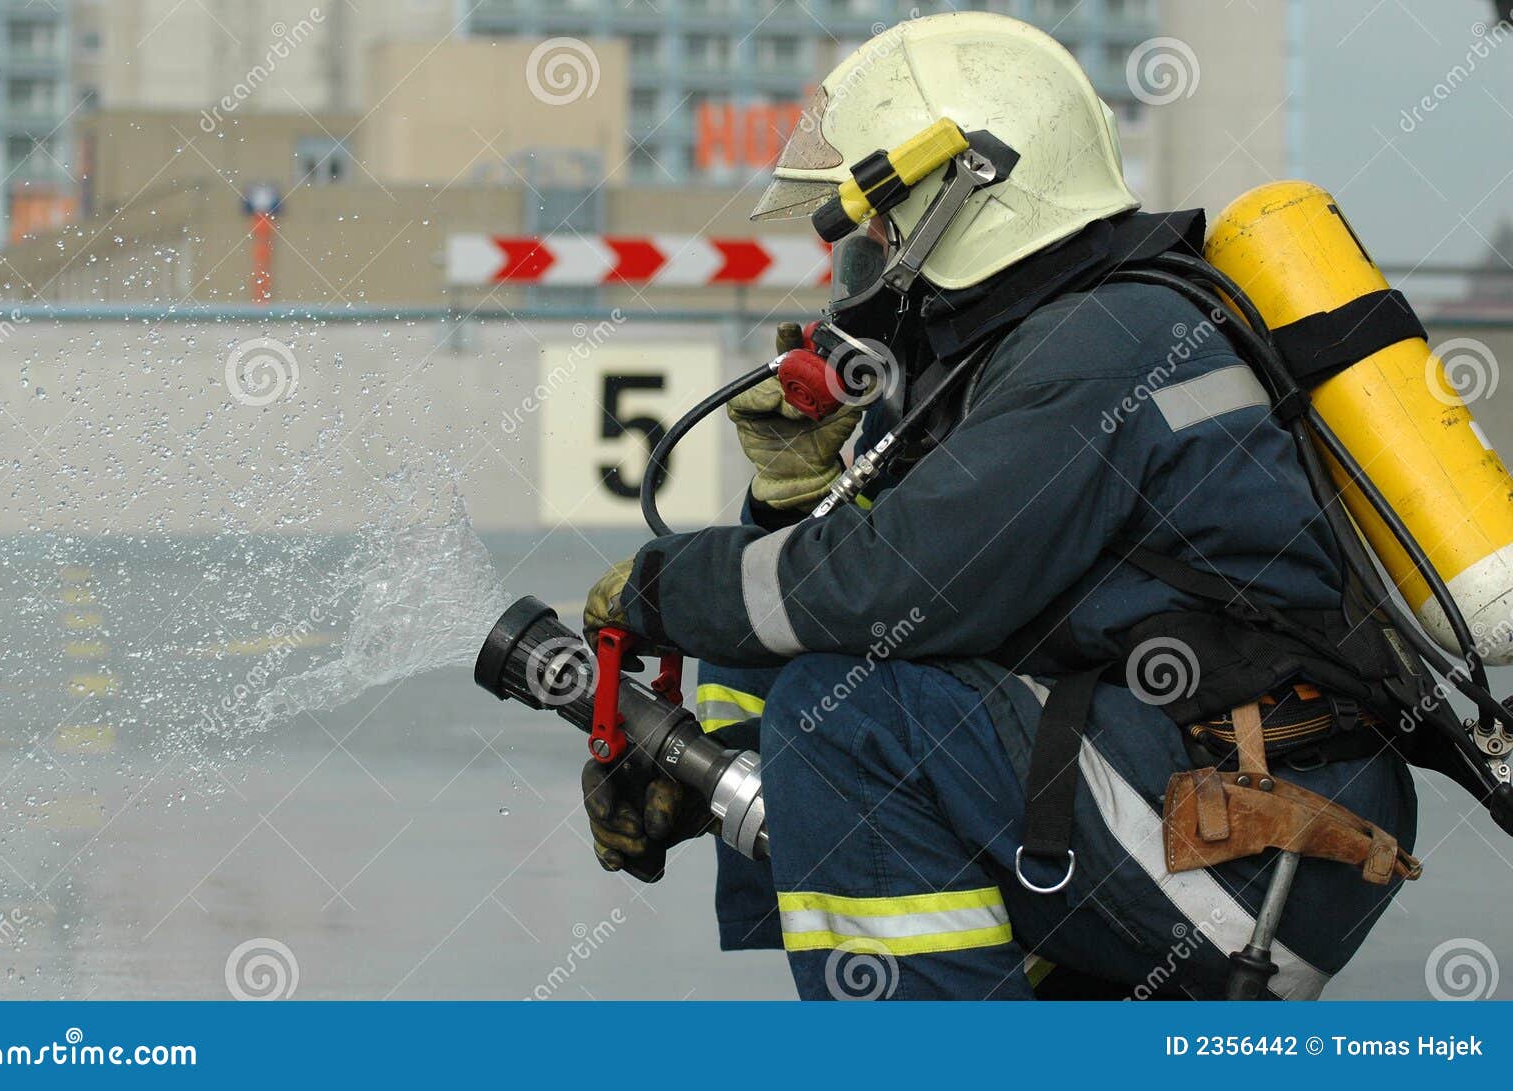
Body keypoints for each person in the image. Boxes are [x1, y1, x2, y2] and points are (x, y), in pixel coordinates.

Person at [580, 11, 1417, 1000]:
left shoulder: (1108, 338)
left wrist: (659, 585)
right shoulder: (1032, 344)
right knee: (811, 671)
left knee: (852, 721)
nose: (867, 258)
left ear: (963, 191)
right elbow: (832, 596)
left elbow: (897, 585)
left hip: (1251, 844)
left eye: (880, 223)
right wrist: (785, 513)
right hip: (1175, 785)